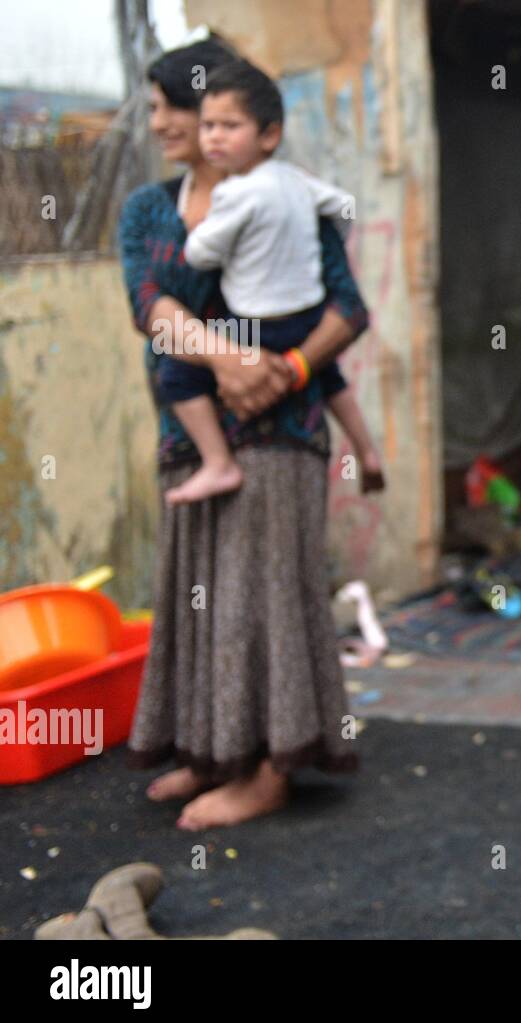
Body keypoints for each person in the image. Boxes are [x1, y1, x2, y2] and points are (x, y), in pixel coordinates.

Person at [117, 37, 367, 831]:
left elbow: (347, 309)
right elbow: (150, 306)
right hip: (191, 432)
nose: (160, 123)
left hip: (282, 431)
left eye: (170, 107)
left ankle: (271, 768)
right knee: (199, 601)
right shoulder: (149, 210)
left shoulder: (284, 198)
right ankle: (210, 750)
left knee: (263, 600)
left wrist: (286, 372)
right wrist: (231, 363)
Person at [157, 58, 384, 505]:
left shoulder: (233, 193)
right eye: (208, 126)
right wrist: (317, 243)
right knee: (329, 373)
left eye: (229, 126)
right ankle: (367, 450)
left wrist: (199, 231)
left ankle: (217, 462)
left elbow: (199, 255)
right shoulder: (297, 181)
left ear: (269, 135)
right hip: (307, 317)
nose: (214, 137)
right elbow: (342, 208)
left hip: (255, 327)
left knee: (175, 368)